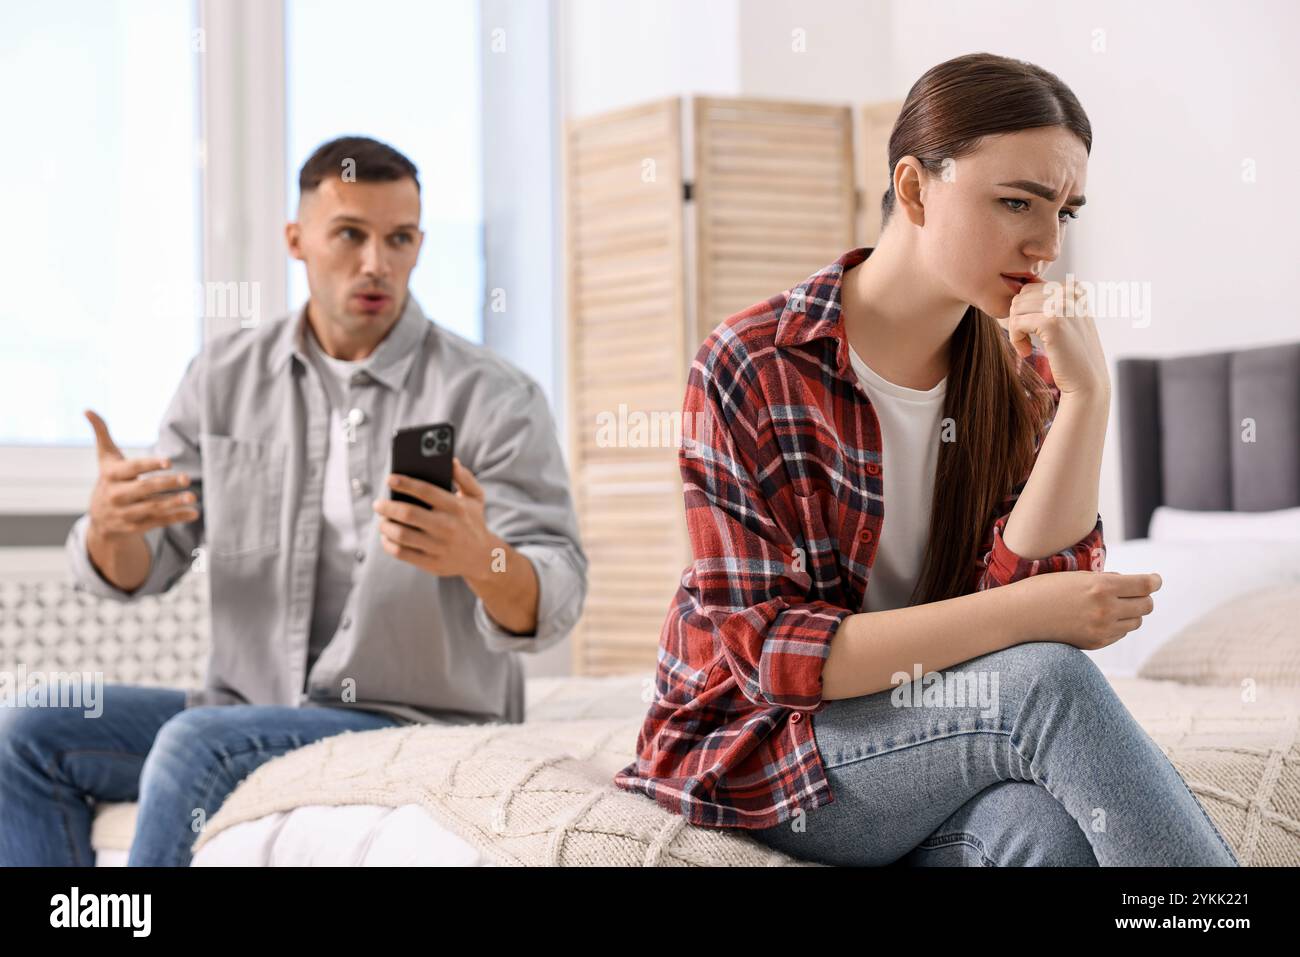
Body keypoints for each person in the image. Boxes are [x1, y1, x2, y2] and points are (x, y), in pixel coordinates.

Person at [612, 53, 1237, 867]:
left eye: (1065, 213)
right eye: (1017, 201)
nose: (1047, 243)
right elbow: (775, 655)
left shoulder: (1023, 365)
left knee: (1045, 834)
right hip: (764, 751)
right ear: (913, 189)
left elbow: (1033, 585)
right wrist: (1032, 622)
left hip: (920, 744)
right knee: (1045, 683)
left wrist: (1088, 400)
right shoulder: (752, 364)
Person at [0, 135, 587, 867]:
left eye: (399, 239)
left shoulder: (494, 396)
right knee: (27, 730)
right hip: (246, 711)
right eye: (350, 234)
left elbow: (555, 588)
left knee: (194, 745)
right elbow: (143, 567)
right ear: (296, 240)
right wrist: (112, 527)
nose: (376, 262)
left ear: (419, 246)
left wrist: (482, 556)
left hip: (414, 717)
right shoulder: (224, 377)